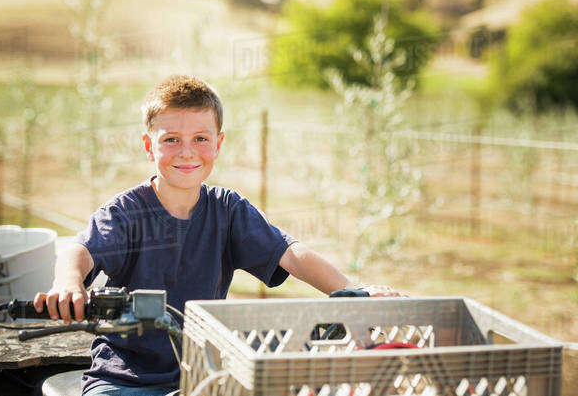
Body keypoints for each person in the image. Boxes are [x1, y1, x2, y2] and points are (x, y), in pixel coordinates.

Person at [33, 75, 402, 396]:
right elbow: (79, 249)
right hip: (124, 378)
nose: (188, 152)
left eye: (200, 138)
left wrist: (352, 293)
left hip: (203, 375)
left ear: (219, 144)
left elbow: (290, 252)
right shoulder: (127, 211)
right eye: (171, 140)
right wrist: (68, 282)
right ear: (149, 146)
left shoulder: (227, 209)